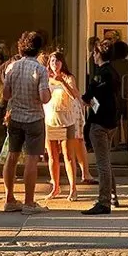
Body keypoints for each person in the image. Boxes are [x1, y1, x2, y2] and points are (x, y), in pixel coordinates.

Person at [2, 31, 52, 214]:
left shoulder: (11, 67)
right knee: (32, 159)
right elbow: (44, 98)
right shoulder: (40, 70)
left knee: (12, 156)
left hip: (15, 116)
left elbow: (5, 95)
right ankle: (29, 202)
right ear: (39, 48)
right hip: (34, 117)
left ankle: (9, 199)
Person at [80, 39, 121, 215]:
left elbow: (88, 96)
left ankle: (104, 201)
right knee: (106, 159)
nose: (93, 56)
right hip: (112, 121)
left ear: (98, 54)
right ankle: (112, 195)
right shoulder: (114, 72)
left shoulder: (99, 74)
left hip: (99, 122)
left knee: (102, 162)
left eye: (94, 53)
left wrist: (86, 99)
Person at [45, 52, 81, 201]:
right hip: (49, 119)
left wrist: (62, 82)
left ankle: (73, 188)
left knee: (68, 155)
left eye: (58, 60)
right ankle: (55, 187)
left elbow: (75, 95)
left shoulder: (68, 77)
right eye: (53, 60)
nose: (55, 63)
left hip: (66, 120)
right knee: (52, 156)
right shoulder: (46, 77)